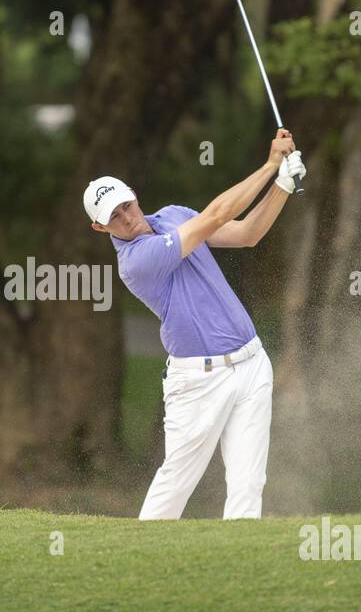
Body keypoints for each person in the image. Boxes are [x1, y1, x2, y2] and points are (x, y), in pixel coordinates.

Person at [84, 131, 306, 519]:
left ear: (134, 195)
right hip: (199, 381)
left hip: (252, 364)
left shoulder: (173, 214)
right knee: (177, 481)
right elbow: (217, 215)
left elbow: (246, 233)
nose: (126, 218)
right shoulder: (136, 261)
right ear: (100, 229)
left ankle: (240, 565)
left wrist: (283, 186)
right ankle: (138, 560)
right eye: (113, 218)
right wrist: (271, 166)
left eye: (126, 206)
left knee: (249, 482)